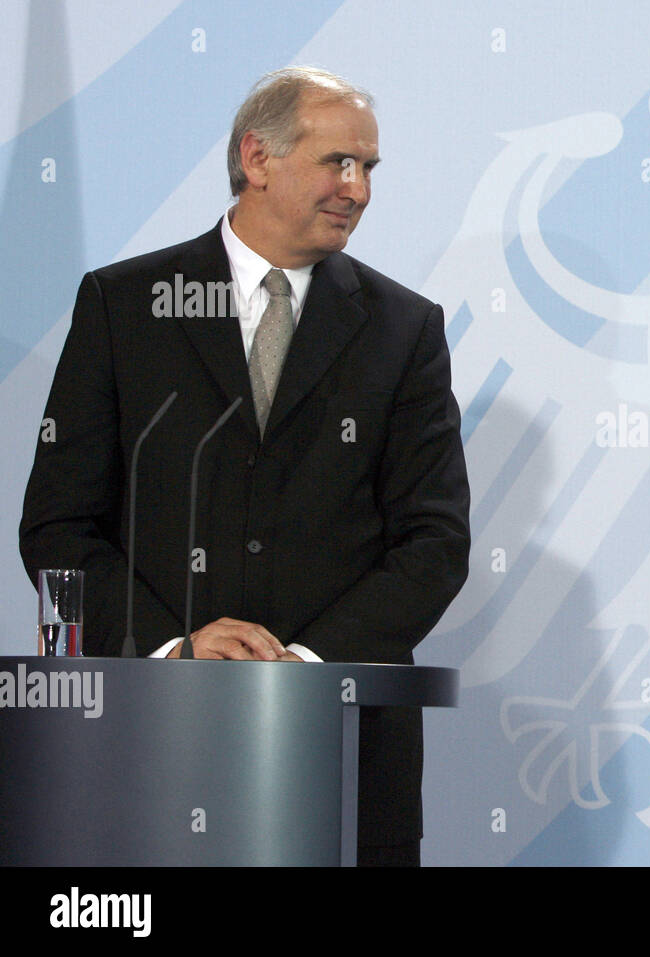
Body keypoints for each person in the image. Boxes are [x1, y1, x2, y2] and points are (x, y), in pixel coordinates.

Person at [19, 67, 472, 863]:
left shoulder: (405, 330)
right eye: (338, 161)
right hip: (150, 750)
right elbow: (60, 525)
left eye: (368, 167)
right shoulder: (125, 305)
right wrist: (173, 648)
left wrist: (296, 669)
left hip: (346, 758)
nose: (358, 188)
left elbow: (435, 543)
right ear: (256, 159)